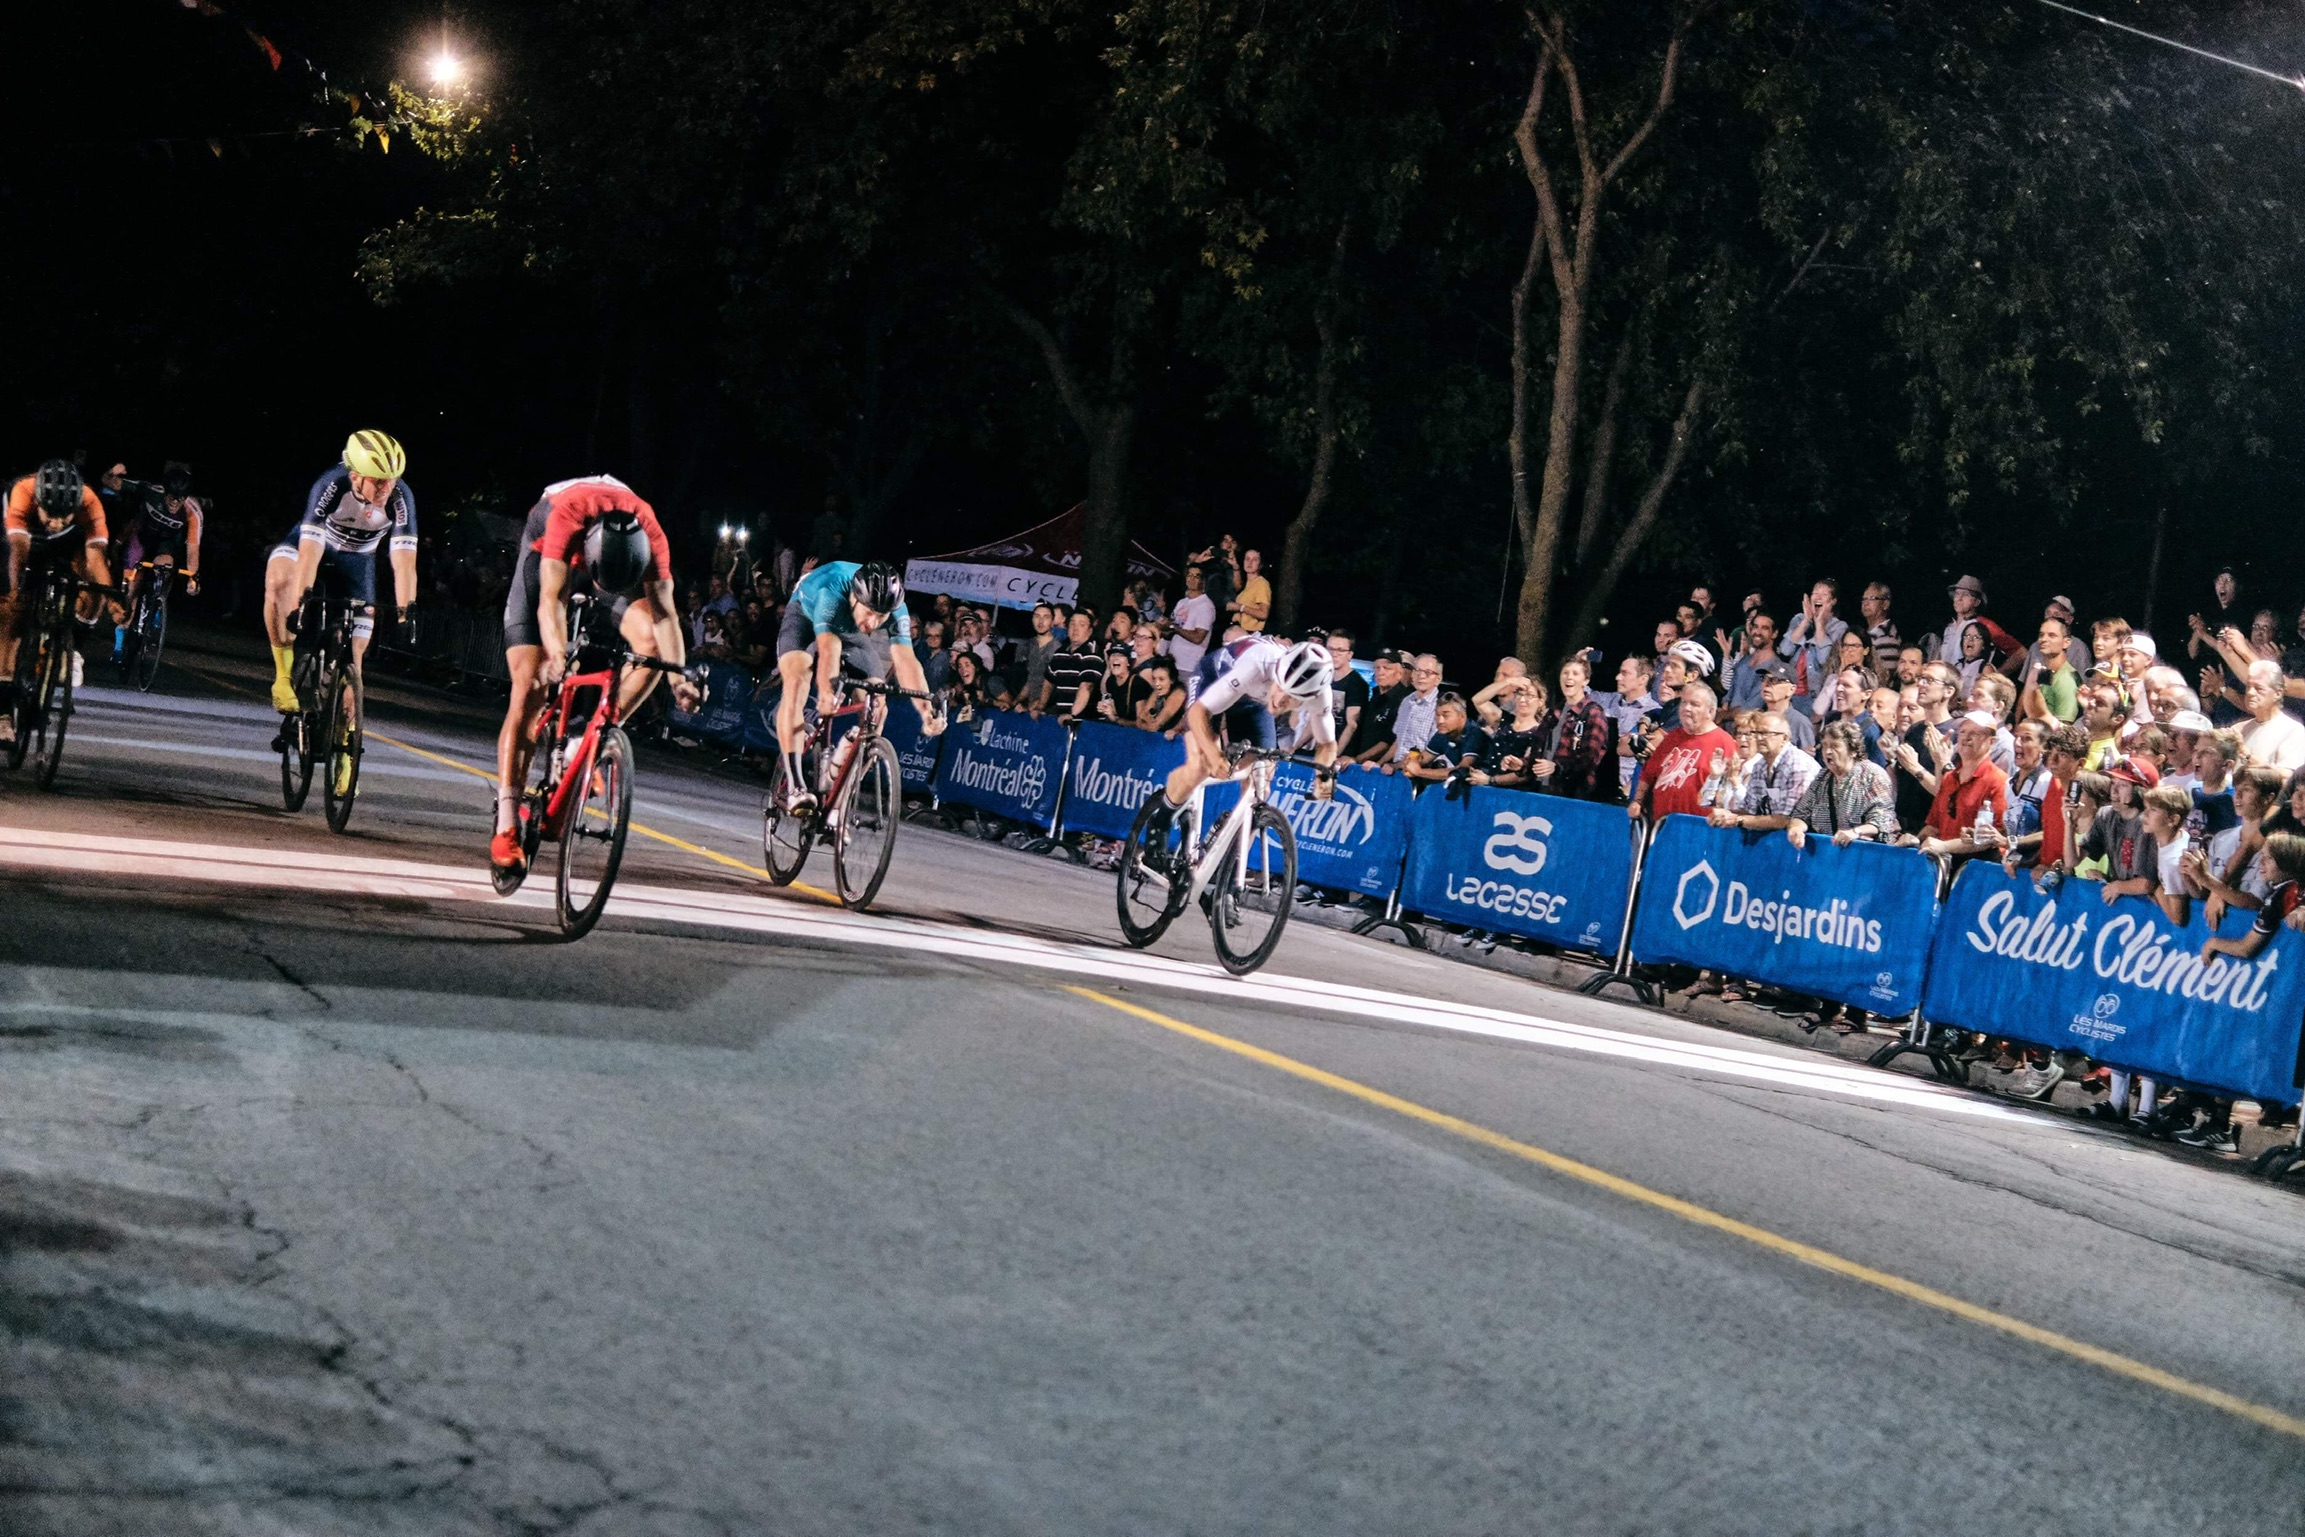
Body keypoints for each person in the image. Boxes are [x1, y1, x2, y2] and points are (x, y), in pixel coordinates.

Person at [489, 474, 700, 874]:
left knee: (652, 648)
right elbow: (552, 600)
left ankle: (591, 737)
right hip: (548, 555)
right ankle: (505, 824)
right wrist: (556, 655)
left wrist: (678, 679)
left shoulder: (651, 530)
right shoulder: (566, 515)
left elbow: (666, 614)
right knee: (531, 685)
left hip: (612, 556)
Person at [263, 431, 419, 732]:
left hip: (358, 563)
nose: (387, 487)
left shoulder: (401, 496)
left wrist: (405, 613)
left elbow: (404, 562)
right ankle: (282, 676)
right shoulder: (331, 484)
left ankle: (346, 756)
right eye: (377, 480)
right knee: (280, 580)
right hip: (313, 547)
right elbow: (309, 553)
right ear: (355, 476)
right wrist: (299, 601)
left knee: (354, 656)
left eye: (392, 479)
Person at [773, 560, 944, 813]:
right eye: (870, 613)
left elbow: (906, 660)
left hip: (848, 631)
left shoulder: (895, 607)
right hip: (805, 617)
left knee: (877, 705)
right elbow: (829, 650)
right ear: (855, 597)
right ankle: (795, 787)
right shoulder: (832, 592)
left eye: (881, 616)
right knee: (797, 680)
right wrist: (826, 694)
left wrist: (926, 710)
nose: (874, 623)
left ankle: (840, 797)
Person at [1140, 637, 1339, 841]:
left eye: (1291, 698)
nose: (1280, 701)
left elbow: (1326, 744)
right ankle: (1161, 821)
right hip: (1214, 678)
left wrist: (1323, 778)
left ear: (1308, 697)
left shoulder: (1321, 696)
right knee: (1202, 764)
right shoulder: (1258, 663)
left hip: (1253, 701)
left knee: (1262, 780)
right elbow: (1198, 712)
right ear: (1277, 673)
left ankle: (1231, 857)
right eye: (1280, 687)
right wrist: (1214, 754)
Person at [1, 462, 117, 732]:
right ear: (38, 501)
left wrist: (112, 599)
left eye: (64, 516)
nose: (55, 523)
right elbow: (17, 551)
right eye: (50, 515)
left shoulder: (90, 501)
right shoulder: (22, 492)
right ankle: (3, 713)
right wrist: (17, 591)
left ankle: (73, 648)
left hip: (66, 545)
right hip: (20, 539)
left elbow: (96, 558)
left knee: (94, 587)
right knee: (9, 613)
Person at [115, 464, 205, 642]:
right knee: (131, 588)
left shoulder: (193, 512)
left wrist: (192, 577)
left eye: (180, 499)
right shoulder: (151, 491)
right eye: (171, 496)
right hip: (142, 537)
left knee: (165, 568)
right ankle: (120, 638)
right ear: (164, 491)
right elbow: (112, 482)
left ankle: (156, 601)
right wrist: (112, 472)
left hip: (166, 543)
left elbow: (193, 549)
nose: (174, 502)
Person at [1629, 680, 1735, 823]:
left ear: (1710, 712)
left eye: (1694, 704)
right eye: (1684, 703)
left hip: (1699, 828)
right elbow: (1648, 774)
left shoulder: (1725, 743)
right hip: (1661, 826)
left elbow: (1731, 789)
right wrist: (1637, 801)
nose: (1686, 708)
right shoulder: (1672, 737)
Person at [1919, 710, 2011, 860]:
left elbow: (1994, 837)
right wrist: (1915, 842)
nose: (1966, 738)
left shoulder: (1998, 781)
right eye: (1962, 732)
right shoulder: (1949, 778)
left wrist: (1944, 846)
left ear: (1992, 742)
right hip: (1943, 863)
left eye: (1975, 733)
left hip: (1975, 867)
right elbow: (1933, 826)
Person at [1710, 711, 1818, 834]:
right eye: (1757, 733)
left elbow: (1785, 819)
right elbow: (1751, 810)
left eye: (1767, 733)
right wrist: (1726, 815)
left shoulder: (1798, 765)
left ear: (1784, 738)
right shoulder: (1760, 766)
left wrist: (1737, 820)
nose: (1760, 738)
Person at [1405, 694, 1486, 788]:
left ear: (1462, 717)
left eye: (1446, 715)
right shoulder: (1442, 733)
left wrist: (1420, 772)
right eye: (1437, 715)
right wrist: (1410, 761)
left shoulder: (1475, 733)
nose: (1440, 721)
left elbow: (1462, 769)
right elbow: (1423, 758)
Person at [1047, 607, 1104, 722]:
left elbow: (1086, 687)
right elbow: (1048, 683)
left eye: (1082, 625)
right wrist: (1040, 707)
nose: (1075, 628)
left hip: (1083, 721)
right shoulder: (1060, 652)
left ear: (1090, 630)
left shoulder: (1092, 653)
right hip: (1060, 716)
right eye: (1072, 624)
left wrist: (1072, 715)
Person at [1388, 654, 1444, 769]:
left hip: (1422, 773)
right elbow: (1398, 741)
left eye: (1428, 672)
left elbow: (1433, 751)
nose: (1421, 676)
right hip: (1397, 771)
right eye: (1417, 670)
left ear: (1438, 679)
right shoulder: (1406, 702)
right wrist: (1380, 764)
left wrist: (1397, 766)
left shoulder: (1441, 707)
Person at [1165, 564, 1217, 678]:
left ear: (1203, 581)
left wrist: (1173, 627)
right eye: (1189, 575)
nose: (1192, 579)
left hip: (1188, 666)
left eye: (1196, 576)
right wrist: (1163, 626)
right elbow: (1171, 629)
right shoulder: (1182, 602)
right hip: (1172, 663)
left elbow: (1198, 637)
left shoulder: (1206, 606)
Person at [1324, 629, 1369, 749]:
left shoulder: (1356, 684)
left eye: (1340, 650)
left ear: (1350, 654)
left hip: (1342, 755)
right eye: (1330, 649)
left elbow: (1352, 724)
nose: (1334, 654)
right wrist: (1295, 746)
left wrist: (1335, 753)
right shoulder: (1324, 680)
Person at [1131, 656, 1185, 734]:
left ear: (1172, 680)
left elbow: (1156, 726)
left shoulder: (1179, 693)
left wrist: (1146, 721)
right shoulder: (1158, 691)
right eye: (1154, 679)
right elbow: (1140, 717)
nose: (1156, 683)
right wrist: (1146, 720)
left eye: (1161, 679)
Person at [1230, 549, 1272, 633]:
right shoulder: (1248, 583)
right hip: (1239, 630)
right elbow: (1237, 586)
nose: (1250, 562)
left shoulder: (1261, 584)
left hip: (1250, 633)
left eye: (1255, 559)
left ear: (1260, 565)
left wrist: (1240, 607)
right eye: (1247, 559)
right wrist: (1235, 566)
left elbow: (1263, 614)